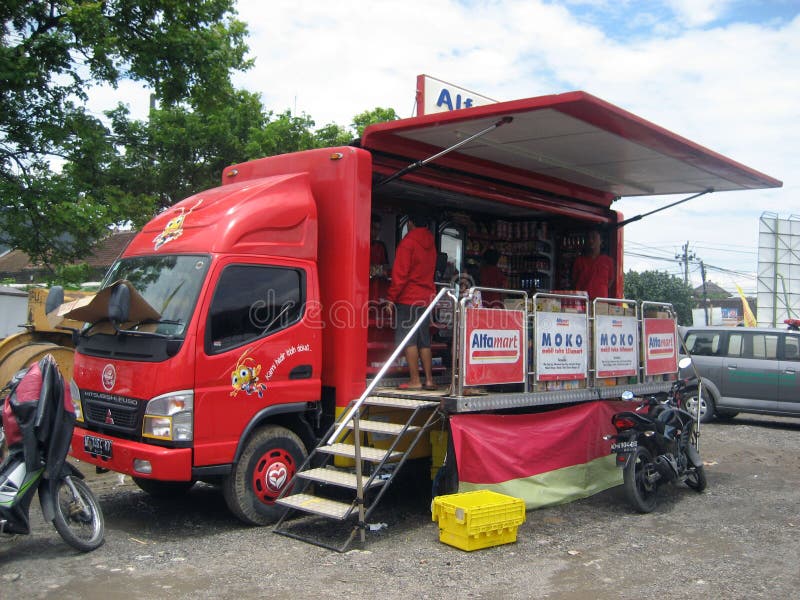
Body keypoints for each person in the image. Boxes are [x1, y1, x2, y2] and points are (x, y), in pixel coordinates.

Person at [385, 214, 437, 390]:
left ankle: (415, 380)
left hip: (409, 298)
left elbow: (400, 274)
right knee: (424, 340)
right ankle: (429, 380)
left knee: (408, 339)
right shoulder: (431, 243)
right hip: (426, 298)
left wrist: (391, 298)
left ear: (409, 223)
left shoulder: (408, 243)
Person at [572, 228, 615, 300]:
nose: (591, 240)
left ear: (601, 241)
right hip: (582, 301)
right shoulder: (579, 261)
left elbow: (610, 281)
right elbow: (574, 281)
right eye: (588, 238)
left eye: (594, 237)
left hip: (600, 302)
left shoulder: (608, 261)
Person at [369, 214, 390, 302]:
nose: (376, 232)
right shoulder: (358, 243)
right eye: (373, 228)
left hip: (377, 289)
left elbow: (386, 269)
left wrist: (373, 269)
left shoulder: (381, 246)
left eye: (378, 229)